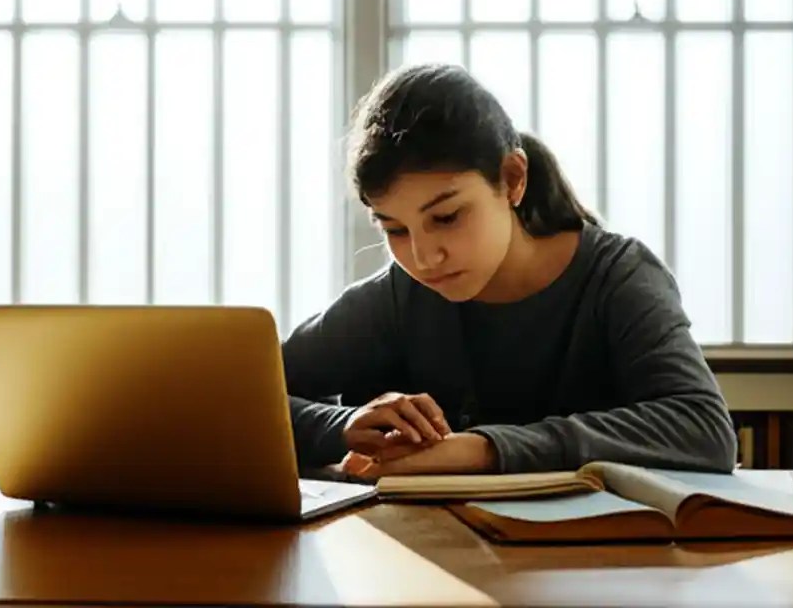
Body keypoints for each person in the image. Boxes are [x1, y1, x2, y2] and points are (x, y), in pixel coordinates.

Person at [284, 63, 737, 478]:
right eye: (396, 229)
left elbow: (703, 428)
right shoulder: (400, 295)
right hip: (430, 558)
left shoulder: (618, 278)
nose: (424, 258)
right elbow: (241, 396)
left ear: (513, 179)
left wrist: (481, 449)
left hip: (602, 561)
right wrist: (343, 426)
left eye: (446, 217)